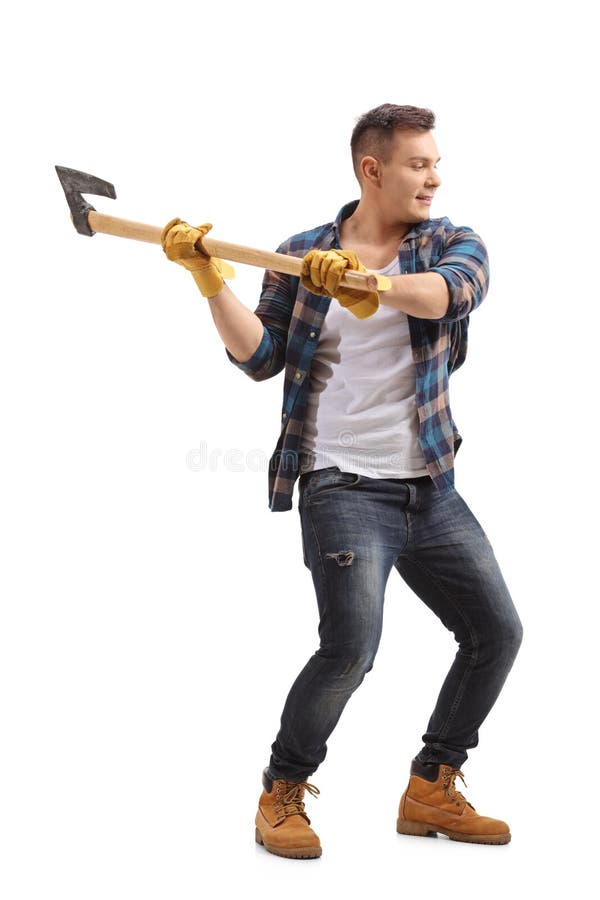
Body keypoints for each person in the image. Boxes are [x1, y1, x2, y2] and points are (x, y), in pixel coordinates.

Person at [160, 103, 524, 858]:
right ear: (373, 170)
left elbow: (448, 294)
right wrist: (208, 279)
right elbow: (259, 357)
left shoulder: (452, 242)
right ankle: (281, 790)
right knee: (352, 646)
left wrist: (367, 287)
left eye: (435, 162)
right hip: (341, 487)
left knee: (496, 633)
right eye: (418, 163)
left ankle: (432, 785)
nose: (433, 176)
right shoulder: (299, 254)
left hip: (432, 487)